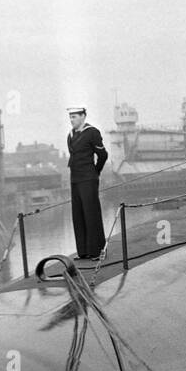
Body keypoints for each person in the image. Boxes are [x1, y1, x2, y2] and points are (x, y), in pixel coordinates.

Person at [66, 106, 108, 259]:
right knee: (78, 214)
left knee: (91, 213)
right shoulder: (70, 135)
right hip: (75, 179)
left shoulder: (92, 132)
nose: (72, 120)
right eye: (70, 117)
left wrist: (96, 171)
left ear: (83, 116)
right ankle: (83, 251)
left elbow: (103, 155)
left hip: (88, 178)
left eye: (75, 117)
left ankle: (96, 251)